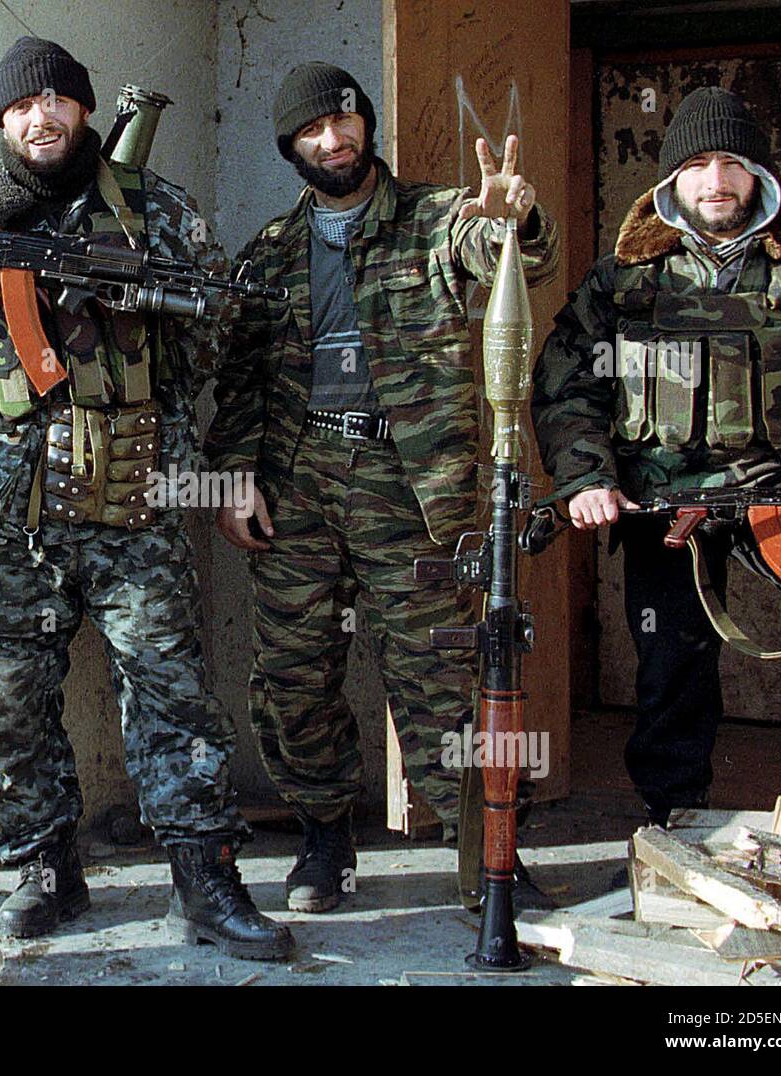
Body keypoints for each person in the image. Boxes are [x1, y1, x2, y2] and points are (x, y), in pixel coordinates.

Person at [0, 37, 291, 959]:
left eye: (60, 100)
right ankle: (44, 867)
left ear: (87, 112)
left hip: (136, 489)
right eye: (22, 106)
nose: (42, 116)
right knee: (15, 700)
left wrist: (136, 353)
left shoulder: (152, 210)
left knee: (173, 693)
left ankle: (205, 877)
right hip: (14, 506)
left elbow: (212, 326)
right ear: (4, 120)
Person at [206, 62, 558, 912]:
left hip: (413, 486)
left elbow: (515, 256)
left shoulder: (440, 220)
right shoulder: (271, 252)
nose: (334, 139)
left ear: (366, 123)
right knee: (293, 673)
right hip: (299, 485)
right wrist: (227, 479)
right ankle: (325, 842)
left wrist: (517, 218)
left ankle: (481, 856)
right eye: (313, 130)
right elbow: (240, 377)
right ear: (290, 147)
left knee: (442, 674)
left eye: (345, 119)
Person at [532, 86, 781, 825]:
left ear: (760, 177)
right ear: (671, 180)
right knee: (670, 662)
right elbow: (567, 381)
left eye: (733, 163)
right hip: (664, 500)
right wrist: (583, 476)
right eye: (699, 164)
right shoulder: (625, 282)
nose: (716, 181)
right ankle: (674, 817)